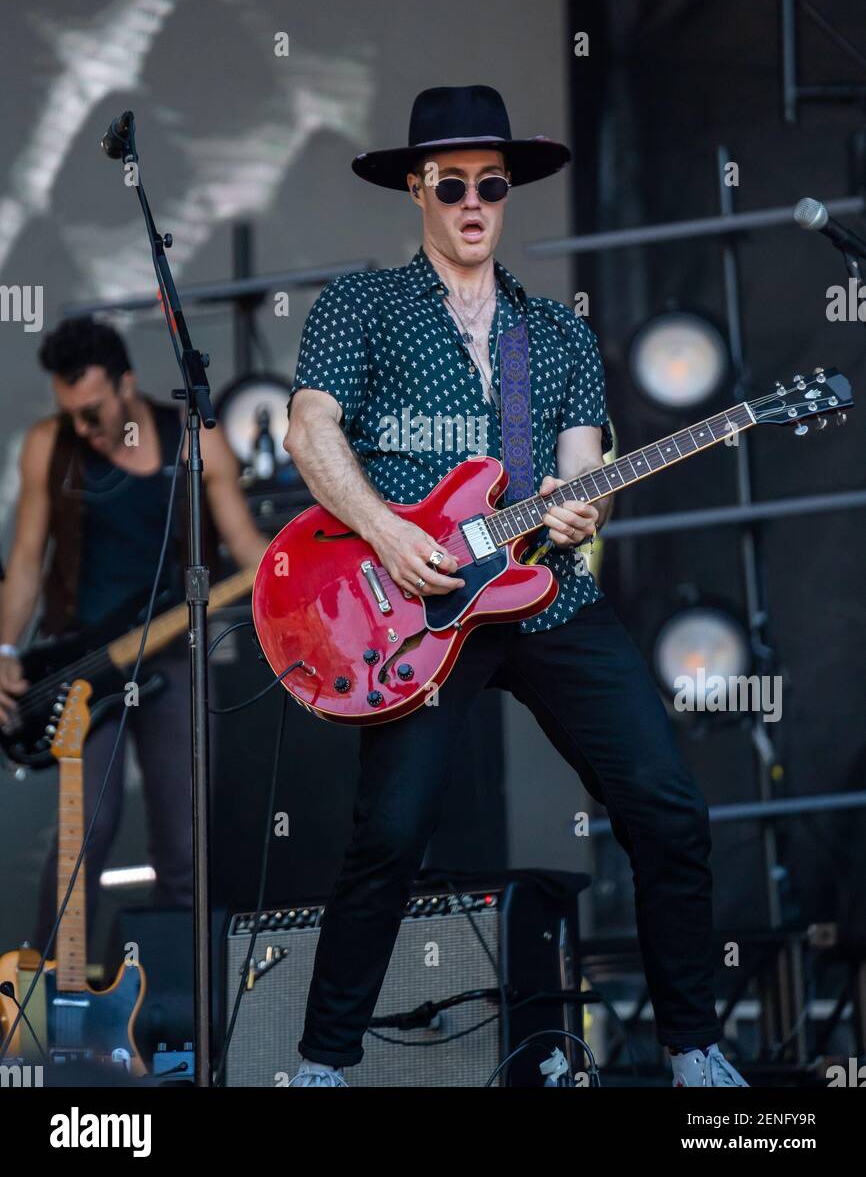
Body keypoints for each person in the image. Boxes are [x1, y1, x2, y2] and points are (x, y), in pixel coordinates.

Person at [282, 85, 747, 1089]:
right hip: (414, 605)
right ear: (415, 190)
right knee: (390, 834)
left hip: (542, 599)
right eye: (449, 183)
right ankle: (322, 1064)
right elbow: (308, 429)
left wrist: (580, 514)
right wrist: (385, 532)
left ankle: (692, 1048)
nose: (470, 201)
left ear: (505, 198)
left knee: (666, 806)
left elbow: (579, 475)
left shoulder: (560, 334)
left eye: (488, 184)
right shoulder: (360, 307)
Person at [0, 316, 268, 955]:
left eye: (95, 412)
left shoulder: (192, 438)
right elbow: (28, 560)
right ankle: (42, 1015)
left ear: (127, 383)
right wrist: (6, 650)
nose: (87, 430)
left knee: (183, 847)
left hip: (172, 661)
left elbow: (251, 553)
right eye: (74, 415)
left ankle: (174, 1022)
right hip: (82, 665)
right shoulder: (50, 444)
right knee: (82, 839)